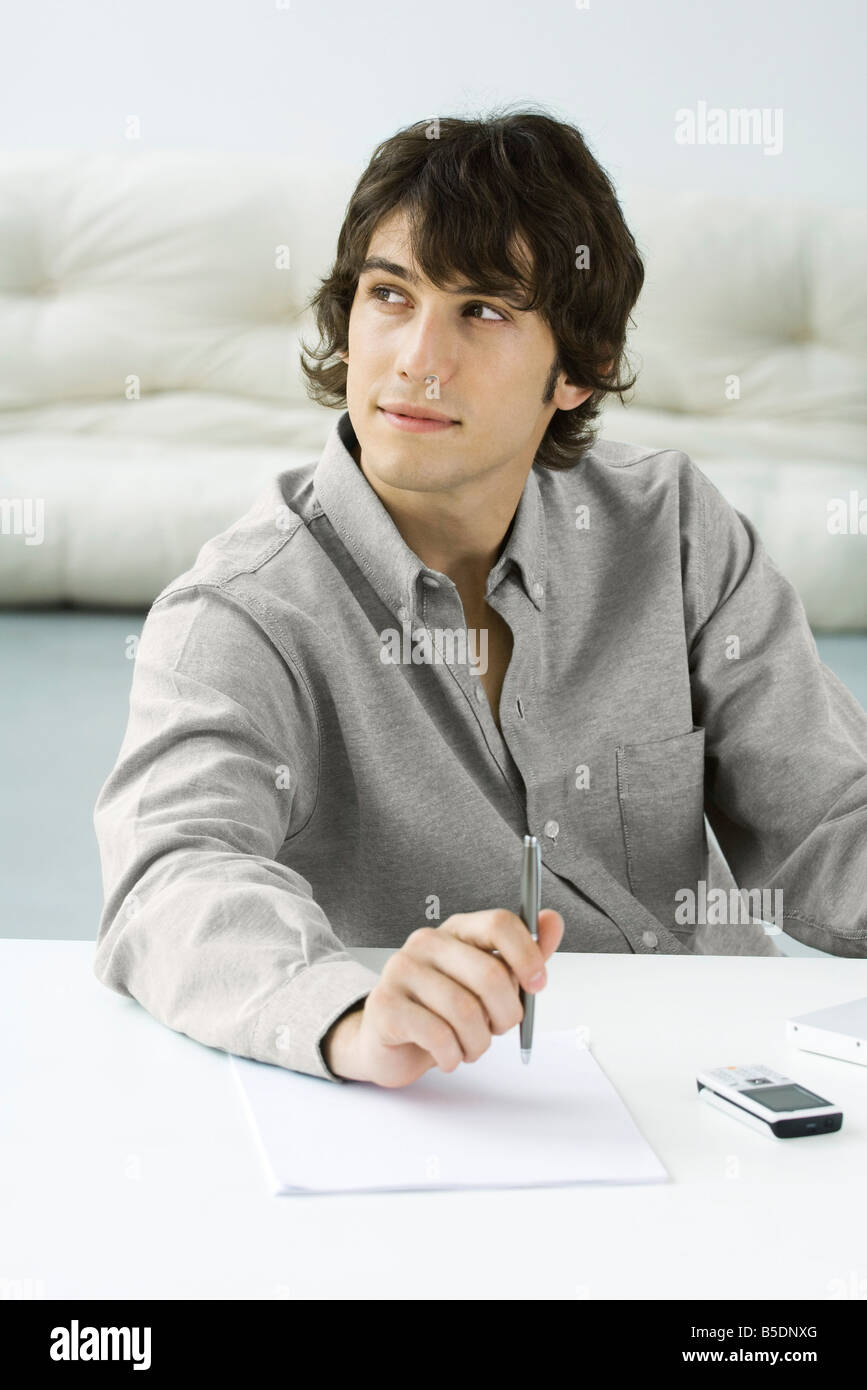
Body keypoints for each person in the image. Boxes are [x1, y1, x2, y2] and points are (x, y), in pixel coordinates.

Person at [93, 108, 867, 1091]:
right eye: (389, 295)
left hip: (728, 1087)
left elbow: (829, 824)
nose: (418, 355)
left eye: (484, 310)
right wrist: (348, 1013)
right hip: (461, 1107)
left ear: (577, 371)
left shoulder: (668, 531)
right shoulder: (244, 612)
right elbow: (172, 873)